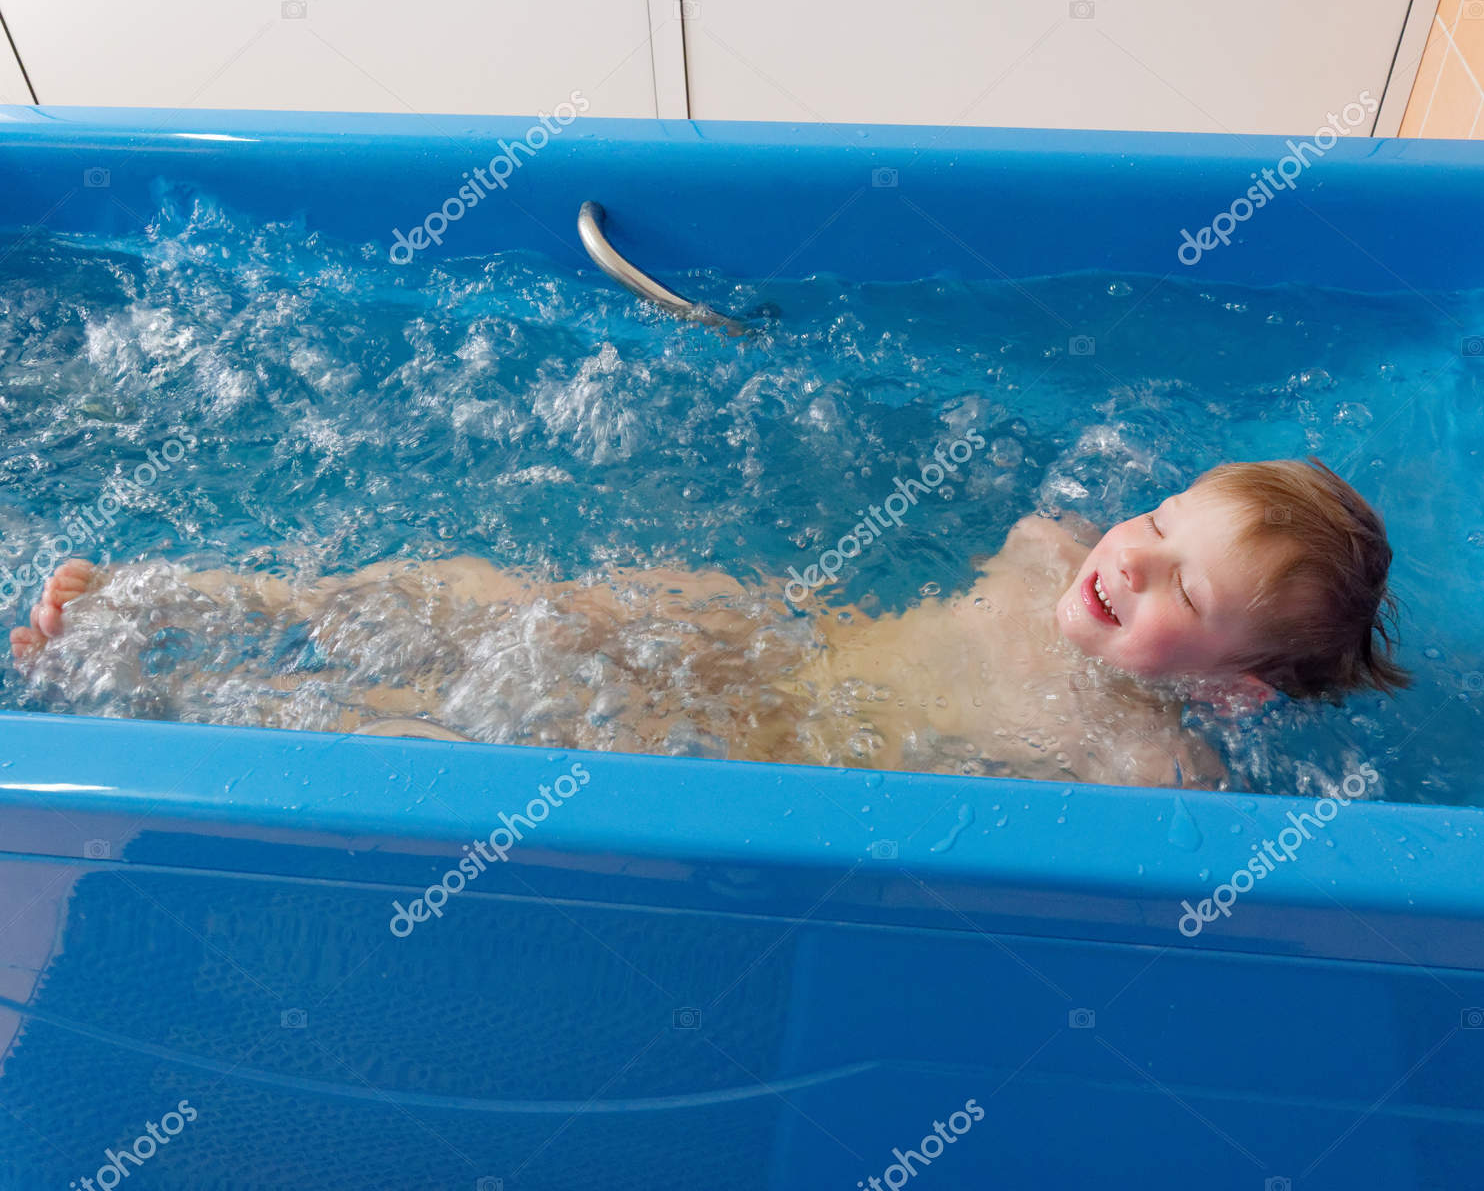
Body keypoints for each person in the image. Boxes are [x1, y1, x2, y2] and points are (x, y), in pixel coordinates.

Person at [9, 457, 1408, 790]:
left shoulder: (1150, 760)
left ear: (1233, 691)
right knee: (498, 607)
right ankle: (184, 601)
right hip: (771, 643)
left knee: (466, 724)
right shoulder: (1044, 549)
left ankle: (199, 720)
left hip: (772, 740)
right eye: (1155, 527)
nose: (1133, 563)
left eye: (1186, 596)